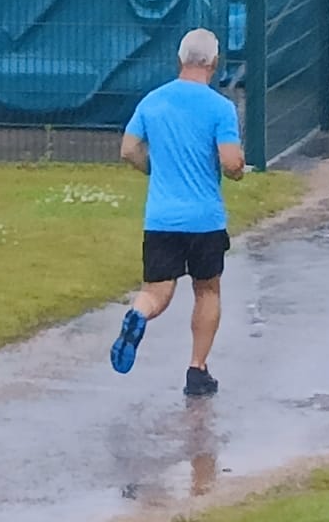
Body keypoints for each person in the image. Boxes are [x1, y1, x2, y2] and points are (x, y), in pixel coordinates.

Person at [110, 28, 246, 397]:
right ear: (214, 63)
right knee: (207, 290)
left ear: (180, 59)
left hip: (161, 217)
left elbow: (128, 149)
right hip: (204, 219)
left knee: (157, 290)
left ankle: (138, 314)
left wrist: (151, 168)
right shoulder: (220, 108)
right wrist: (237, 170)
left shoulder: (153, 101)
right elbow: (230, 160)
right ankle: (196, 370)